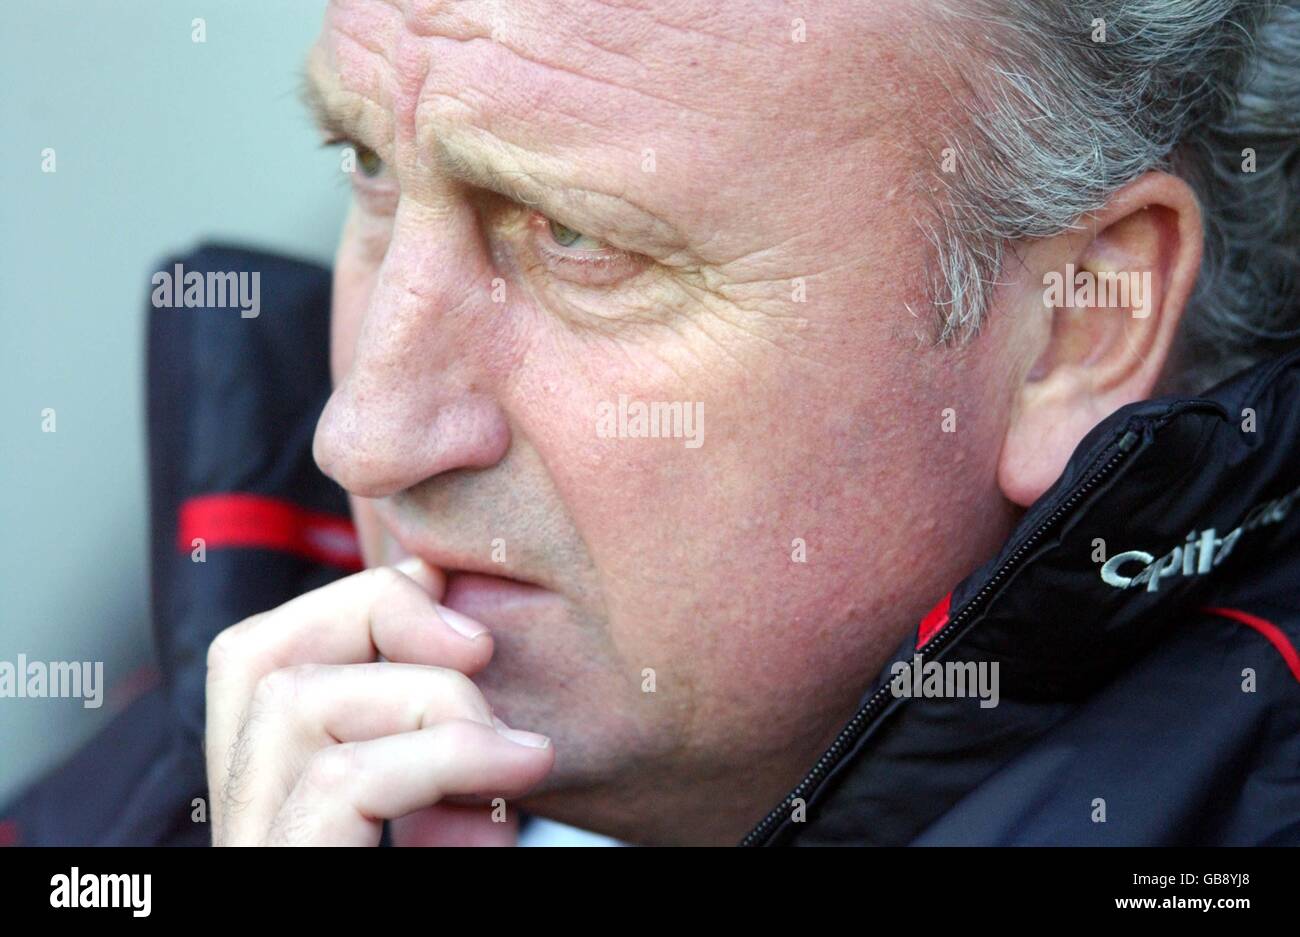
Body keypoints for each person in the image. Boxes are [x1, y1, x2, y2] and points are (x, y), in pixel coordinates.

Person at [5, 0, 1299, 846]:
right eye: (372, 168)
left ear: (1077, 322)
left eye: (579, 239)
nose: (365, 433)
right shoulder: (162, 782)